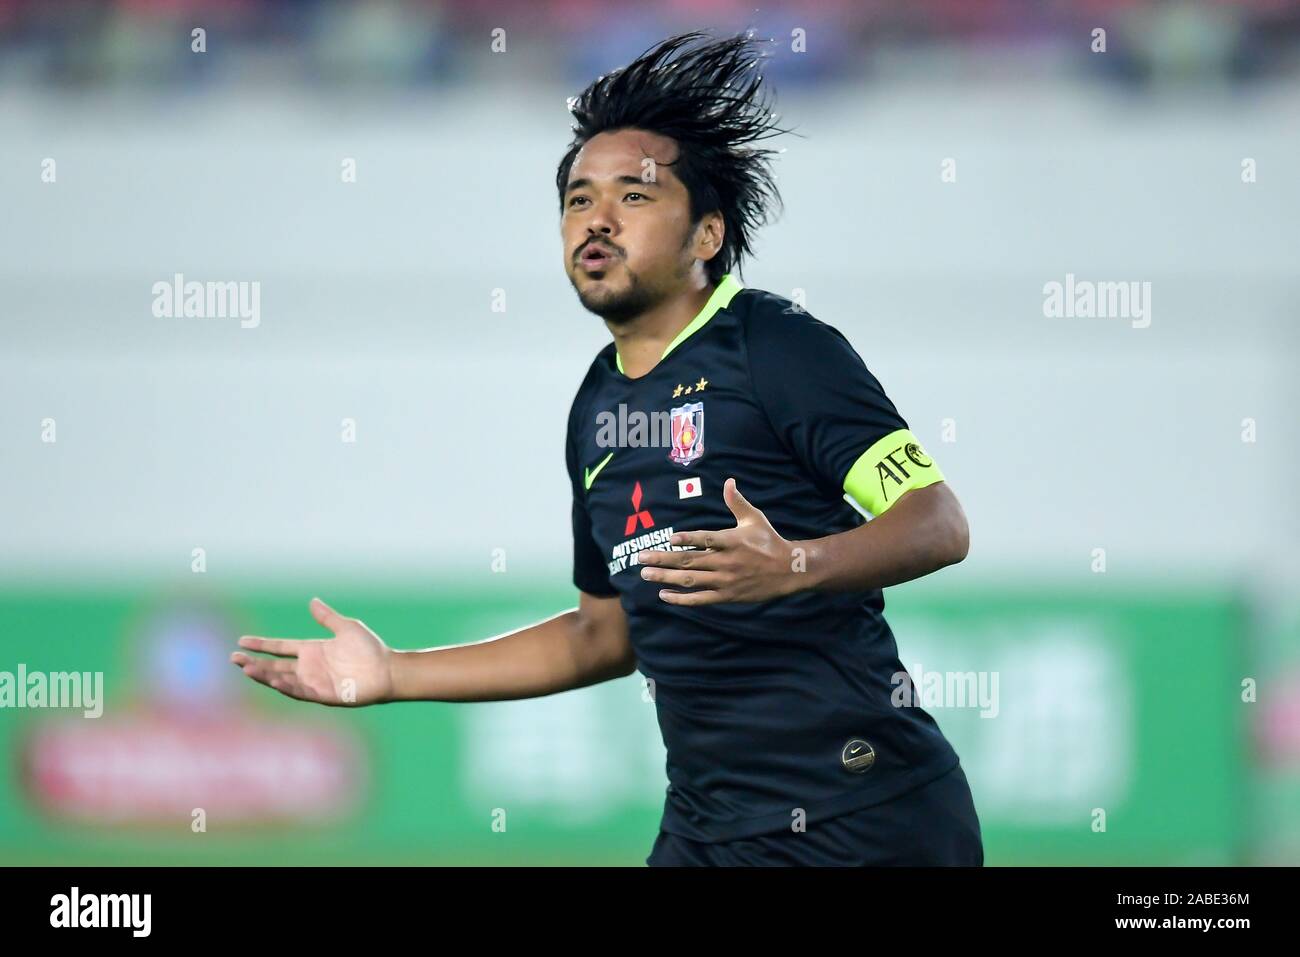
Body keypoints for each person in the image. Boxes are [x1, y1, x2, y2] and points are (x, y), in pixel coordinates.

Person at [232, 31, 982, 867]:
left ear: (706, 234)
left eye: (634, 196)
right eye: (578, 200)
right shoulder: (596, 405)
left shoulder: (774, 346)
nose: (595, 220)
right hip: (709, 832)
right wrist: (396, 673)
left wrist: (795, 563)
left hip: (868, 819)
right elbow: (603, 635)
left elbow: (938, 522)